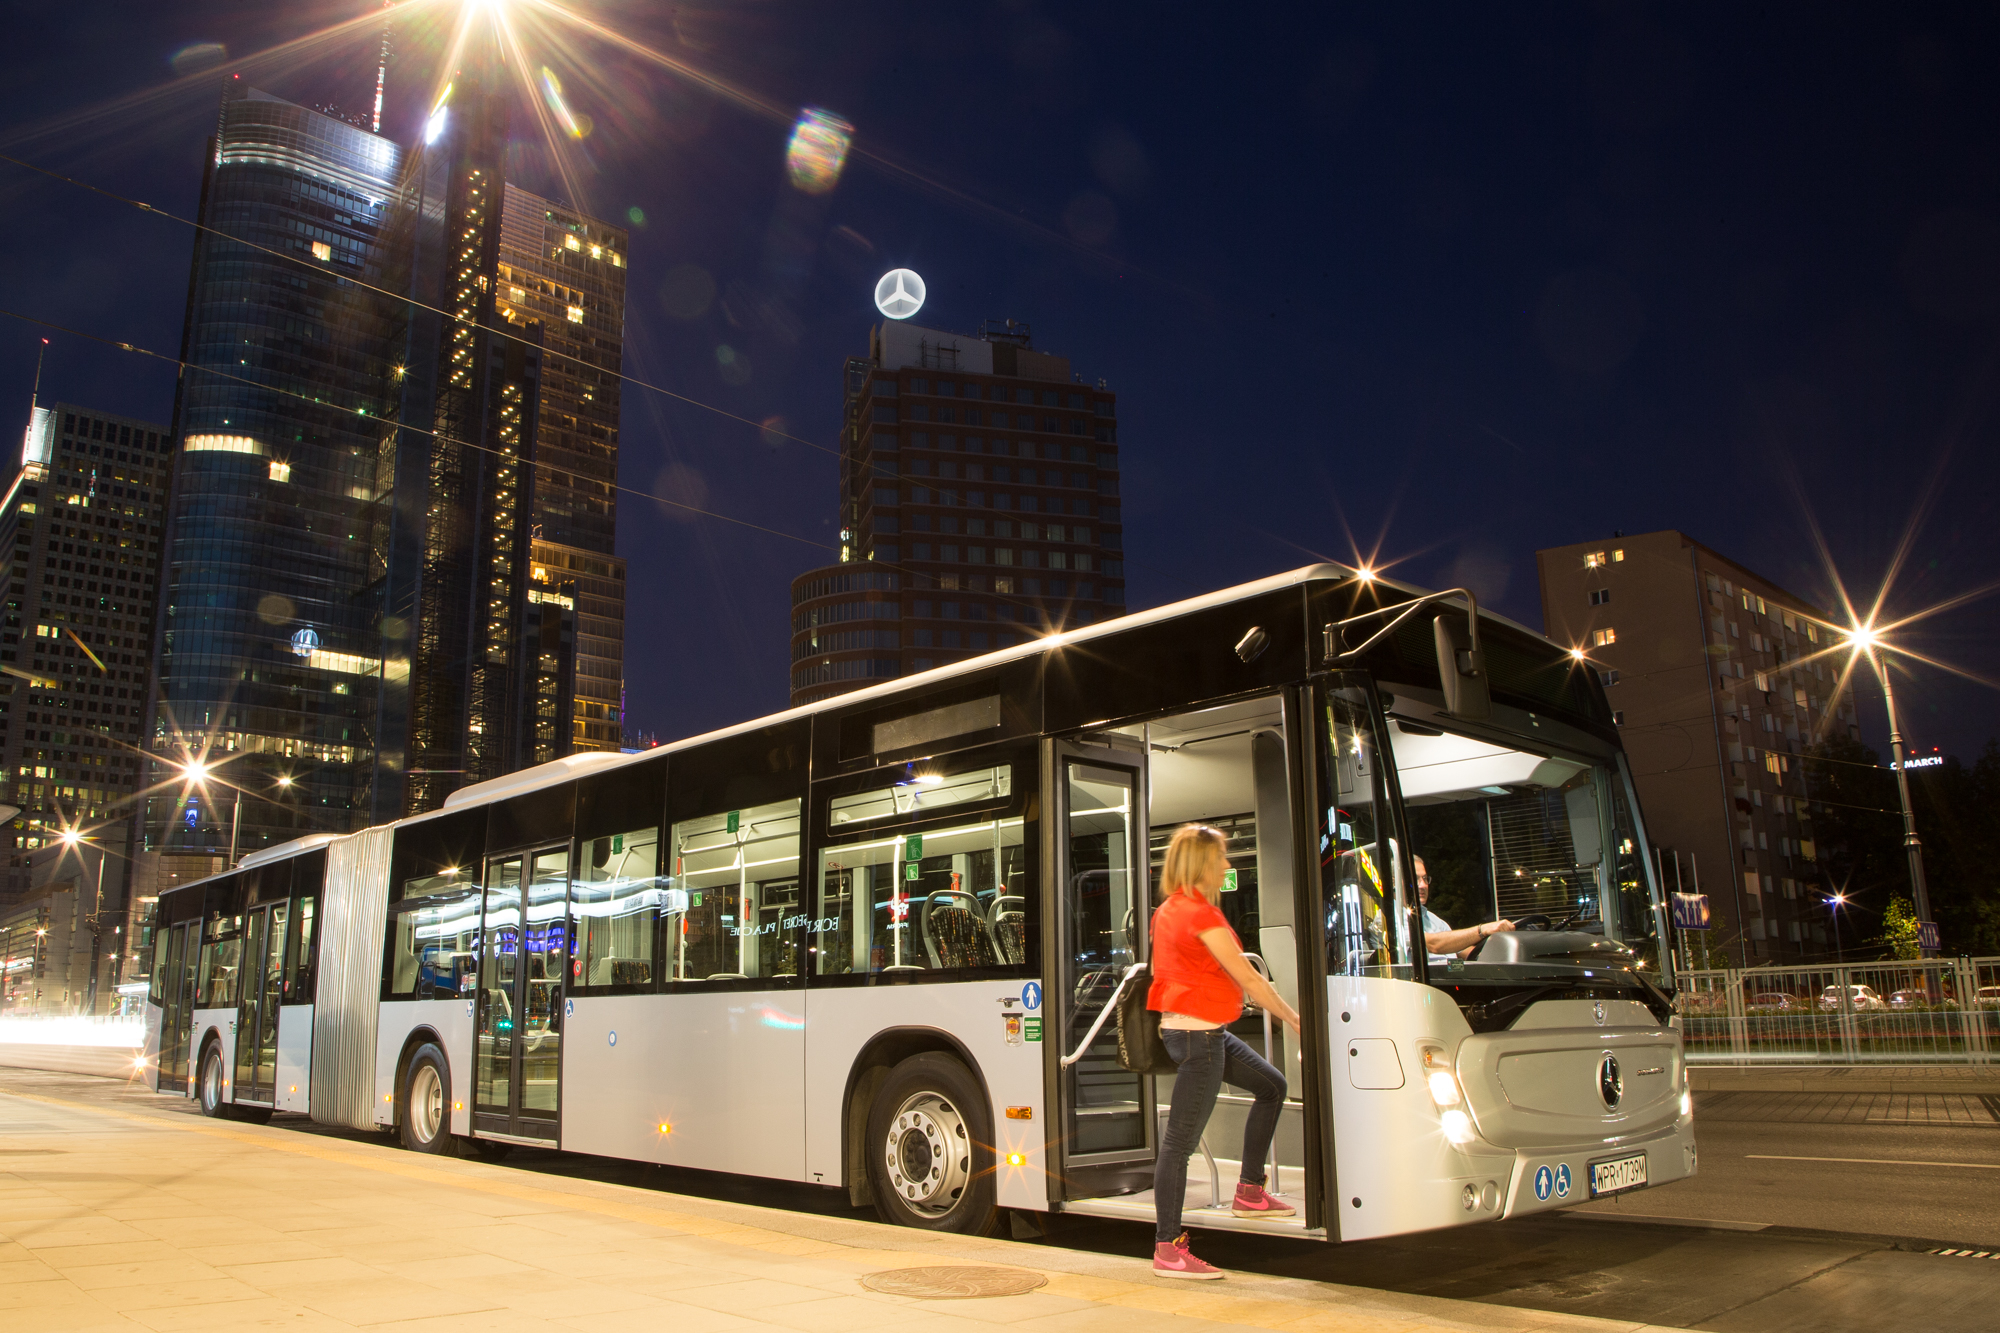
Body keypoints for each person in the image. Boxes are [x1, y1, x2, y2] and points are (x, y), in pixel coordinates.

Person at [1147, 824, 1304, 1280]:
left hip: (1195, 1030)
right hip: (1199, 1036)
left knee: (1272, 1085)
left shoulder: (1169, 910)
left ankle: (1250, 1191)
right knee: (1179, 1144)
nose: (1227, 866)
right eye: (1221, 858)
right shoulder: (1200, 915)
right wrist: (1294, 1018)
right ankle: (1168, 1247)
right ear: (1203, 864)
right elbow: (1249, 978)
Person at [1415, 855, 1513, 965]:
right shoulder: (1396, 918)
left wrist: (1501, 956)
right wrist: (1482, 930)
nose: (1423, 885)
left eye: (1425, 879)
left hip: (1452, 977)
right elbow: (1433, 944)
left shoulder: (1435, 920)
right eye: (1416, 879)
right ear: (1395, 882)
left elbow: (1462, 950)